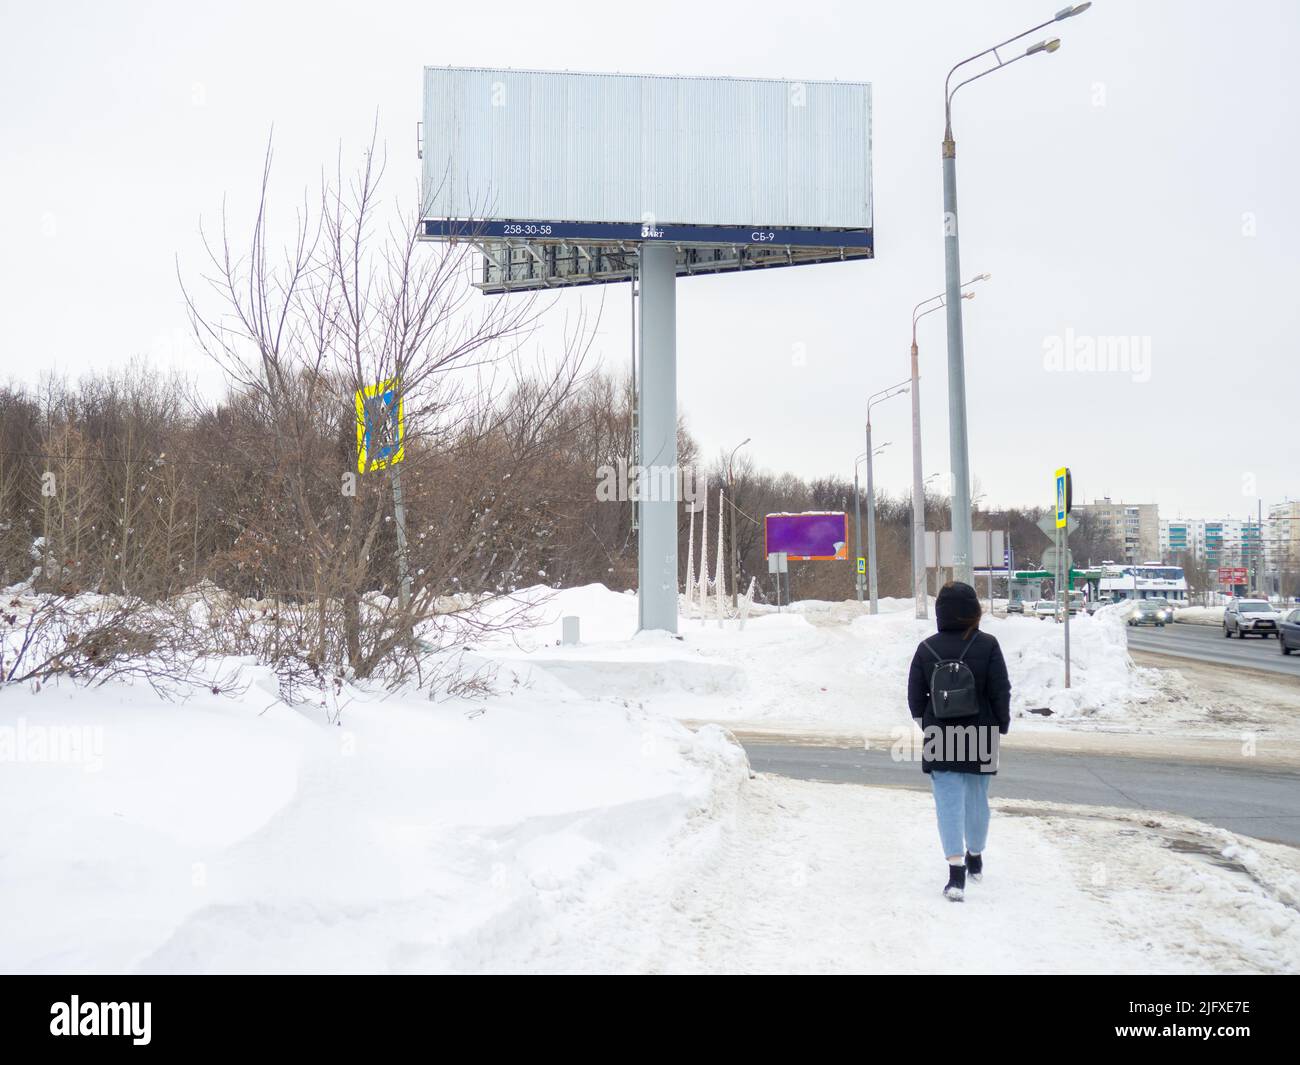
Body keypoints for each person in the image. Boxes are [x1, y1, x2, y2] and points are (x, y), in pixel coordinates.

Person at [907, 581, 1012, 901]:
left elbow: (915, 697)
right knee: (977, 798)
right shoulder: (989, 645)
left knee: (947, 802)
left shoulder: (927, 648)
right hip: (981, 732)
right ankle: (975, 856)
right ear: (973, 612)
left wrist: (927, 724)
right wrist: (1001, 725)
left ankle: (955, 876)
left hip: (941, 734)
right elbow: (1000, 690)